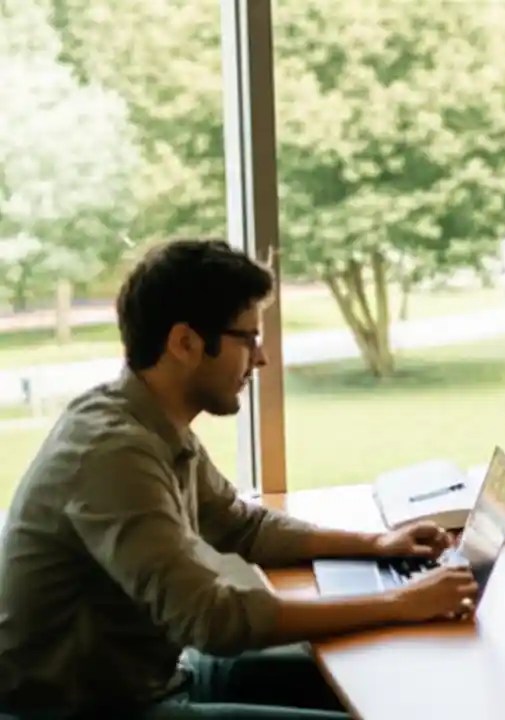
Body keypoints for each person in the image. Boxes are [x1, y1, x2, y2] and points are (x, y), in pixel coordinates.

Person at [0, 240, 480, 718]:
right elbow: (213, 619)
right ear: (185, 343)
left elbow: (241, 526)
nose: (262, 358)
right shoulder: (111, 452)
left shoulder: (149, 421)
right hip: (93, 709)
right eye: (248, 338)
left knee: (379, 675)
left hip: (159, 677)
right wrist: (398, 602)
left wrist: (376, 544)